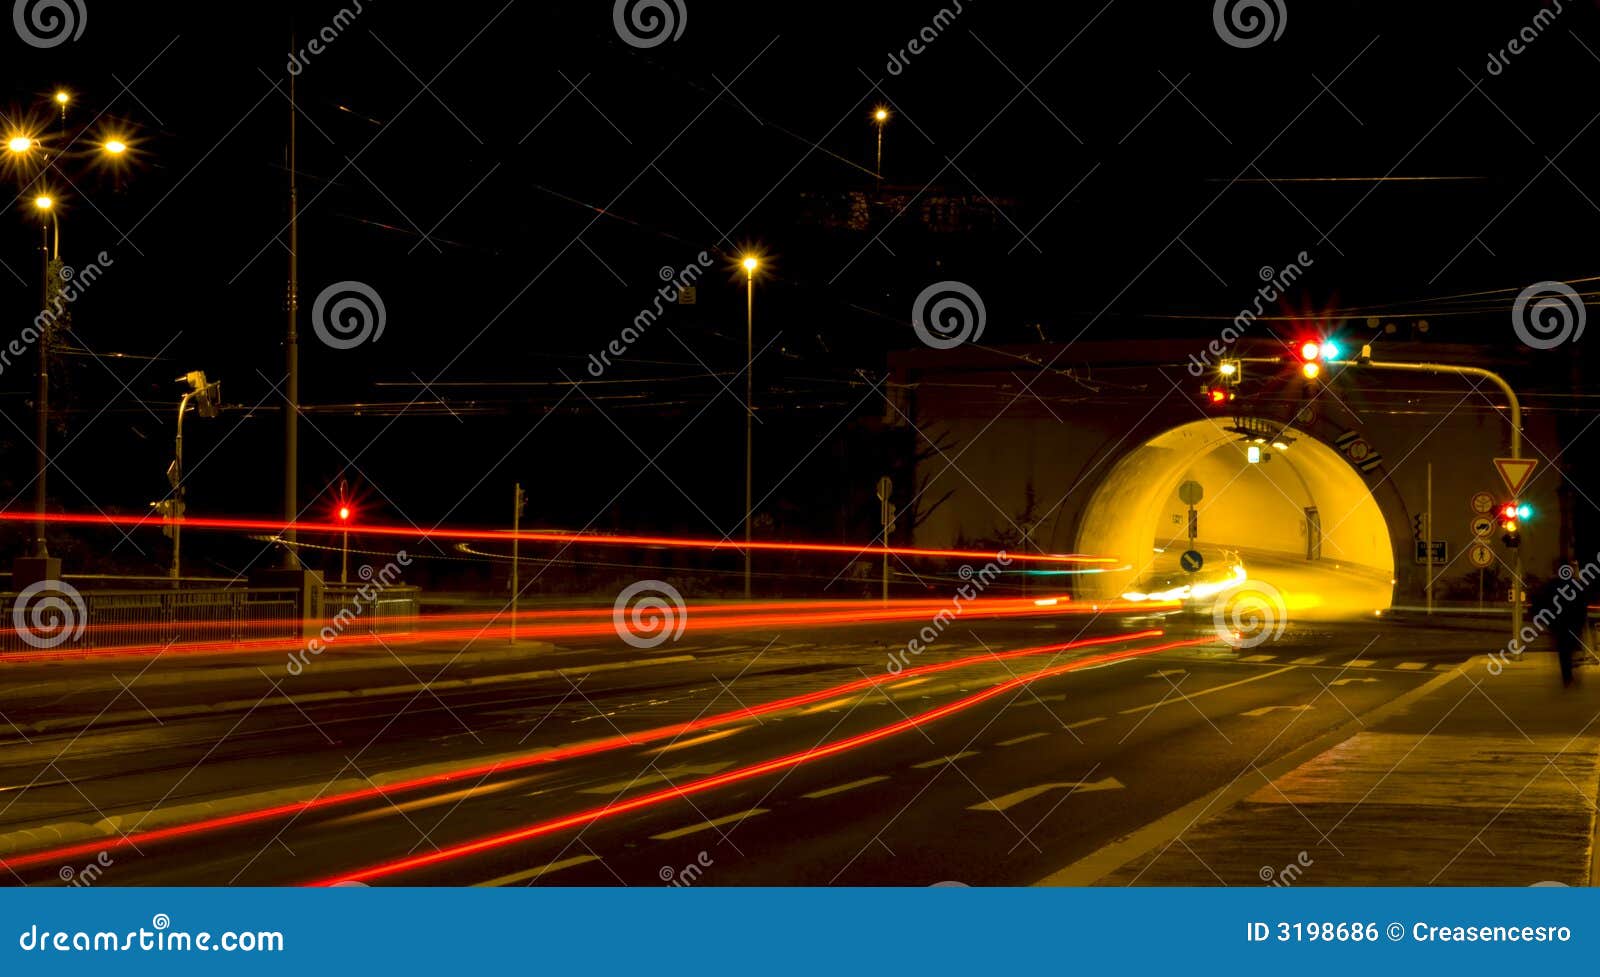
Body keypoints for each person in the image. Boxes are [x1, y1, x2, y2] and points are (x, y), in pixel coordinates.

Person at [1535, 559, 1592, 688]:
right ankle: (1570, 673)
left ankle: (1567, 677)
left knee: (1563, 651)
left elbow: (1541, 602)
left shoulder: (1551, 585)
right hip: (1574, 624)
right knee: (1571, 649)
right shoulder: (1576, 585)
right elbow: (1582, 606)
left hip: (1559, 625)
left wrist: (1544, 619)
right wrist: (1582, 622)